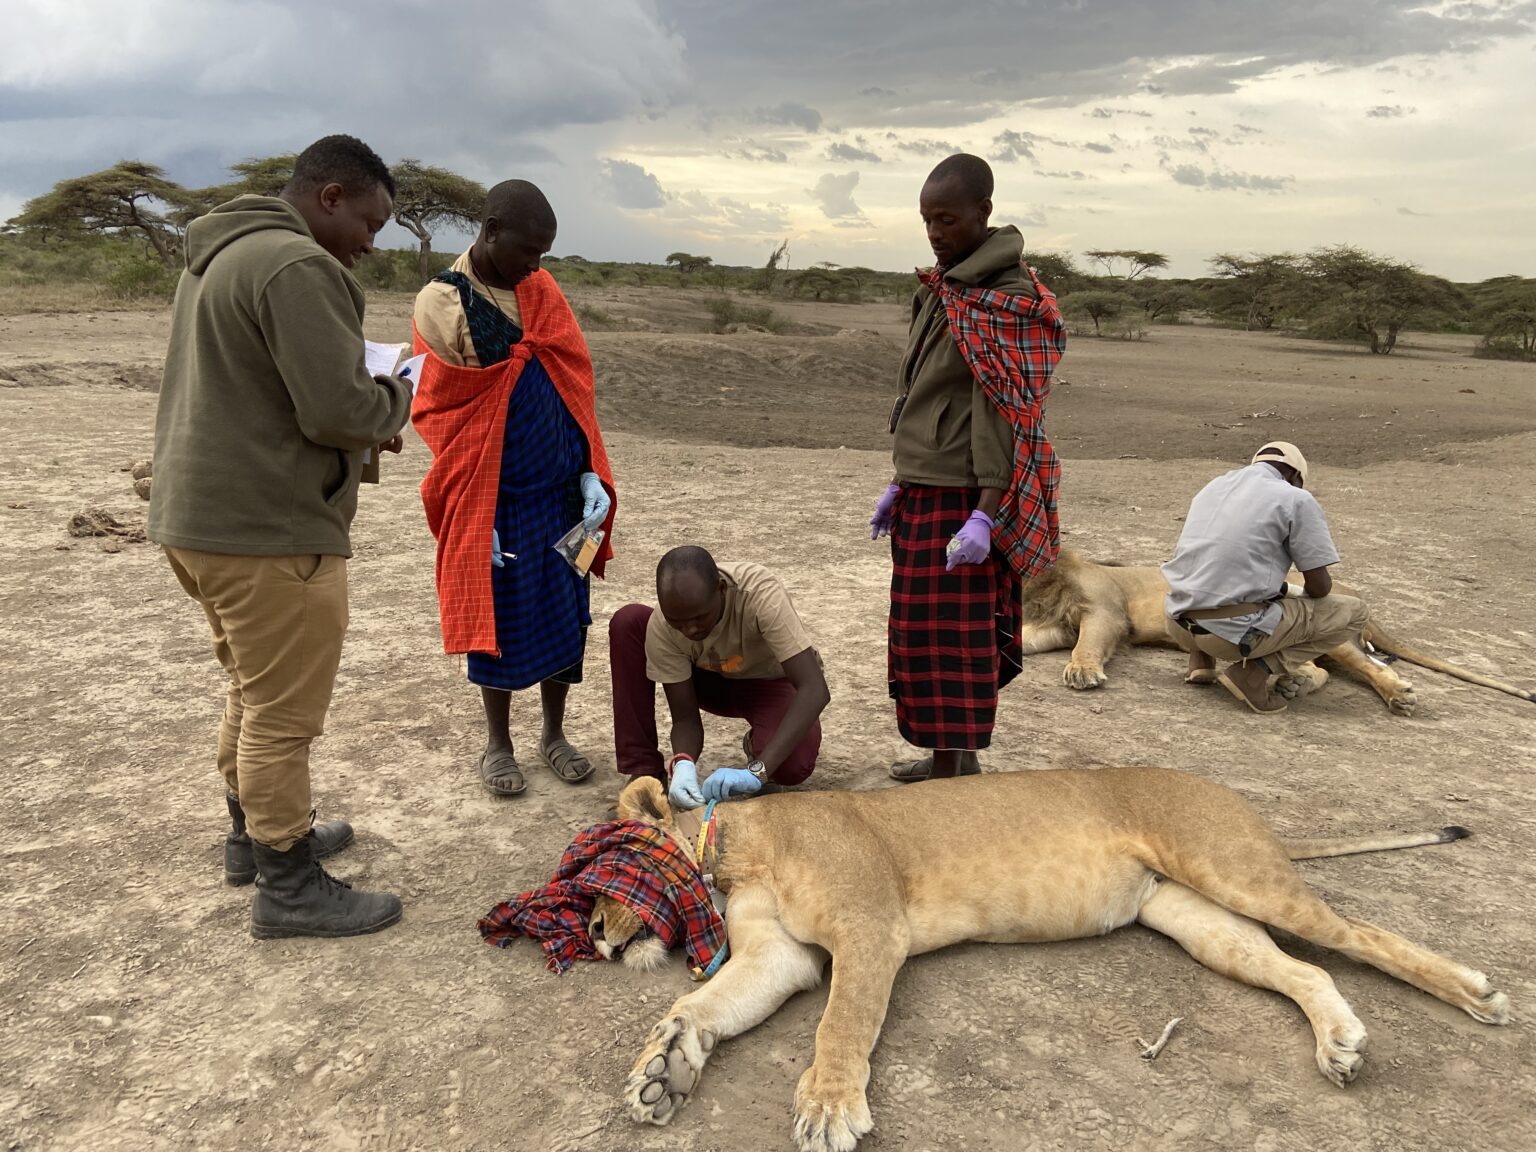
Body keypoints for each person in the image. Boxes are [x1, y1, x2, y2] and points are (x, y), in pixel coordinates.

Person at [148, 134, 413, 939]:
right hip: (266, 526)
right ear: (330, 196)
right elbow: (335, 410)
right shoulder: (297, 267)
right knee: (282, 714)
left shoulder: (223, 254)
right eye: (370, 220)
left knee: (251, 690)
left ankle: (253, 838)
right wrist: (395, 401)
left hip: (201, 519)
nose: (372, 241)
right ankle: (288, 884)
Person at [412, 180, 616, 797]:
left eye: (545, 253)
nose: (537, 264)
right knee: (496, 621)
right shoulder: (441, 304)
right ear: (491, 230)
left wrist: (587, 469)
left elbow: (570, 377)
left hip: (562, 498)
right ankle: (498, 744)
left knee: (568, 618)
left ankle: (554, 733)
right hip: (495, 500)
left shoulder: (542, 290)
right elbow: (440, 410)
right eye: (529, 250)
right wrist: (474, 503)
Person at [872, 153, 1066, 783]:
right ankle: (941, 756)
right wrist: (901, 478)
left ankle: (961, 768)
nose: (935, 231)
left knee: (960, 640)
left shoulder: (1005, 301)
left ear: (984, 212)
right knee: (920, 634)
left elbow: (1003, 413)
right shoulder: (946, 288)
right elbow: (929, 392)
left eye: (948, 218)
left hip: (965, 496)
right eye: (928, 219)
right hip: (926, 487)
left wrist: (986, 512)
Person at [609, 546, 830, 807]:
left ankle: (758, 746)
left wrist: (758, 771)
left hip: (770, 683)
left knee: (791, 765)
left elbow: (814, 689)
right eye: (677, 623)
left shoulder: (759, 593)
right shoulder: (663, 624)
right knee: (630, 621)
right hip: (708, 683)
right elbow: (685, 719)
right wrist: (683, 762)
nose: (690, 629)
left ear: (722, 590)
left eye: (700, 617)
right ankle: (645, 773)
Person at [1163, 441, 1370, 714]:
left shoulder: (1213, 487)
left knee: (1212, 581)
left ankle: (1200, 662)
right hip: (1228, 637)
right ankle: (1253, 674)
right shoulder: (1296, 498)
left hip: (1178, 622)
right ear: (1296, 476)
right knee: (1355, 612)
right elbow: (1319, 587)